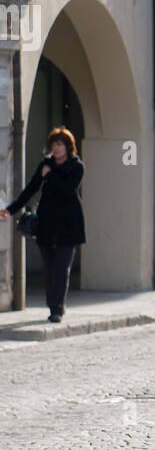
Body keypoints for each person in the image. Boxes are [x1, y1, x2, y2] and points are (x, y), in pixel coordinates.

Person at [0, 127, 86, 323]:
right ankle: (51, 305)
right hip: (47, 223)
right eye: (53, 144)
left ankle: (58, 308)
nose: (55, 148)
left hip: (68, 224)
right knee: (49, 268)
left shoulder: (76, 167)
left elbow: (67, 190)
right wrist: (11, 209)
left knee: (61, 268)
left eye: (59, 144)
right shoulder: (45, 164)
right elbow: (31, 189)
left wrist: (50, 175)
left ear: (68, 147)